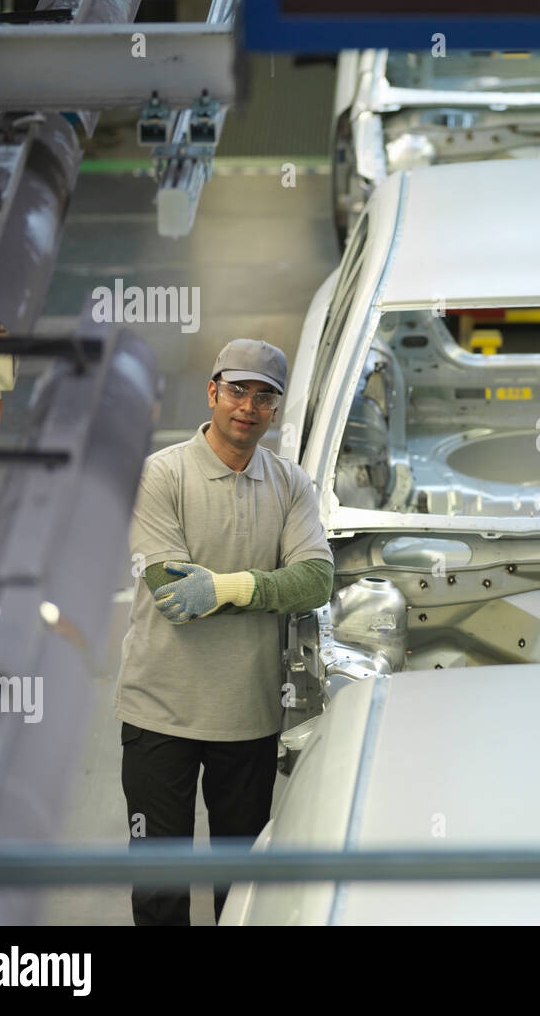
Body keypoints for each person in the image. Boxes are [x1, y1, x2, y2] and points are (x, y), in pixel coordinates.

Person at [114, 338, 334, 925]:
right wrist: (265, 588)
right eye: (238, 390)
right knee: (161, 886)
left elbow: (315, 580)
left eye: (265, 397)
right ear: (212, 392)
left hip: (248, 716)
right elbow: (172, 594)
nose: (248, 407)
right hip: (159, 713)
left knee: (240, 885)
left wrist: (226, 588)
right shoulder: (160, 476)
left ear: (275, 409)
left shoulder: (290, 484)